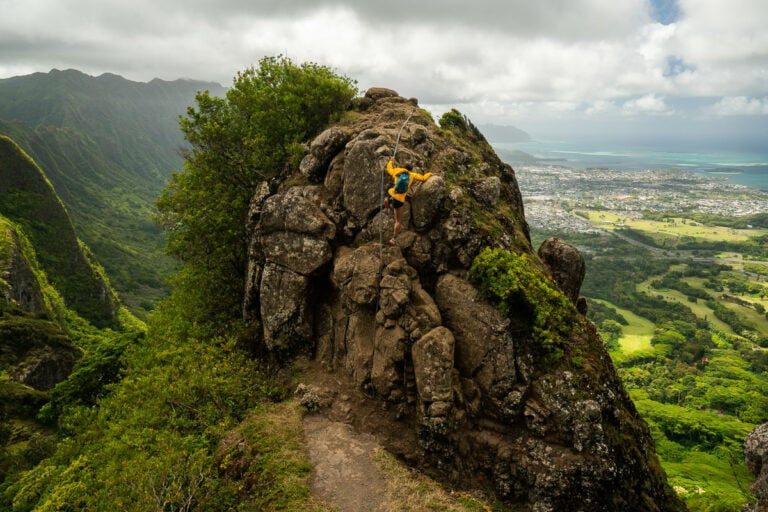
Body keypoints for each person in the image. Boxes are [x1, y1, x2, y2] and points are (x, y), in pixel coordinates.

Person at [383, 157, 432, 246]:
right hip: (399, 199)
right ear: (410, 169)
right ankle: (394, 239)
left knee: (391, 192)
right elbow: (423, 178)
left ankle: (387, 200)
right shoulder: (412, 175)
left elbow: (389, 168)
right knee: (398, 221)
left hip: (391, 193)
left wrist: (391, 160)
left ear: (403, 167)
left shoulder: (397, 171)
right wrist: (430, 173)